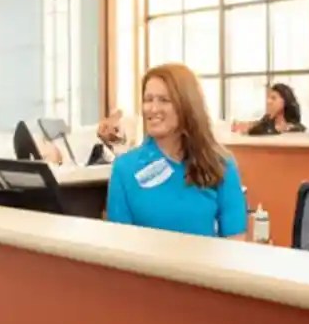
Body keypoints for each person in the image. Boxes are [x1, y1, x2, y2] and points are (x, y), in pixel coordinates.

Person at [106, 63, 248, 238]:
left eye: (164, 100)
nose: (153, 109)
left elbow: (235, 241)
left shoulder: (221, 164)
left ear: (187, 105)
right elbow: (119, 247)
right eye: (148, 99)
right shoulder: (125, 169)